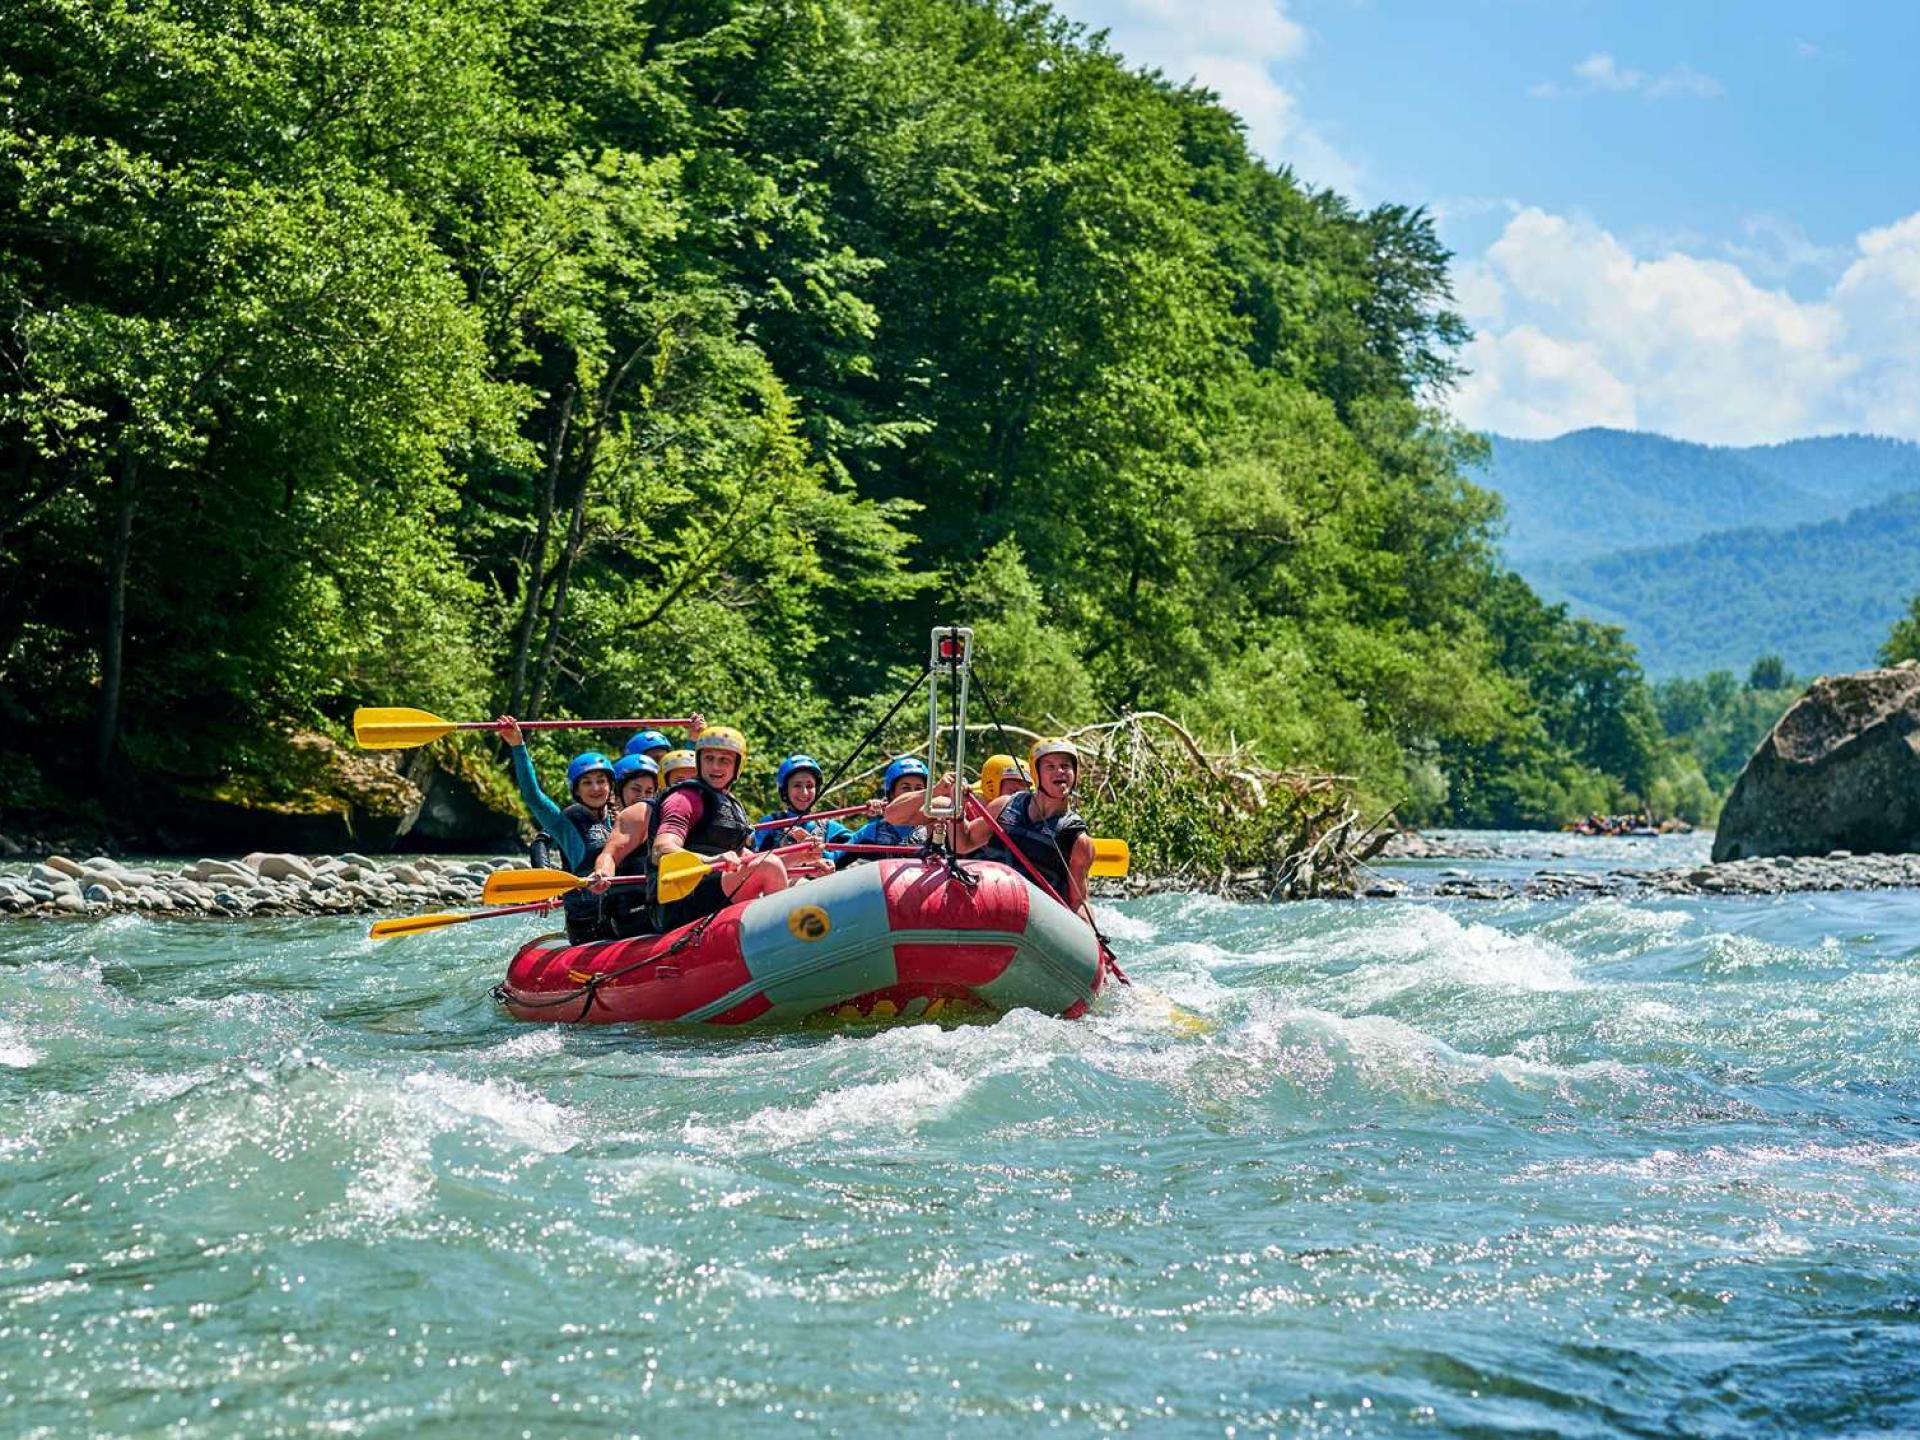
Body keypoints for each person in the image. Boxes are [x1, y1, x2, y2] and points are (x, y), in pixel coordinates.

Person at [639, 726, 808, 930]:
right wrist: (711, 861)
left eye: (724, 760)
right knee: (769, 865)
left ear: (737, 766)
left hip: (712, 888)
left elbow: (748, 859)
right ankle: (779, 934)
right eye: (709, 759)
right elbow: (661, 849)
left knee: (778, 869)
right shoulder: (684, 798)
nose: (715, 767)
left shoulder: (731, 804)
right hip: (677, 902)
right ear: (699, 761)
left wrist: (798, 857)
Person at [498, 716, 618, 944]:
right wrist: (518, 746)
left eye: (601, 781)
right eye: (587, 782)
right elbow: (533, 797)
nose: (596, 788)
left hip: (619, 915)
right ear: (576, 790)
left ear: (610, 786)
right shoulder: (565, 823)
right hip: (586, 921)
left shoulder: (623, 819)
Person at [952, 737, 1094, 914]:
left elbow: (1079, 902)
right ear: (1036, 774)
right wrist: (956, 807)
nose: (1059, 771)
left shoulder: (1077, 839)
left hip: (1034, 917)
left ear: (1075, 774)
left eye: (1065, 766)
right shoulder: (1003, 806)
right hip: (986, 903)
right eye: (1050, 766)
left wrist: (1088, 927)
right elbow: (963, 843)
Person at [588, 753, 662, 937]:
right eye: (636, 790)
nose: (642, 797)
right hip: (629, 913)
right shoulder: (616, 824)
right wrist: (602, 873)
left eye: (649, 791)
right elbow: (609, 856)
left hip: (656, 903)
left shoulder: (658, 818)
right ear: (620, 791)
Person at [754, 754, 858, 856]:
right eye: (797, 785)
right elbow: (753, 855)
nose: (804, 793)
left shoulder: (828, 827)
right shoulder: (770, 824)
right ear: (785, 790)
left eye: (809, 786)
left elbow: (860, 843)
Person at [836, 756, 930, 866]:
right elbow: (835, 860)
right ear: (892, 794)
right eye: (906, 788)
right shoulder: (873, 831)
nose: (913, 794)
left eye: (919, 789)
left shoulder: (934, 826)